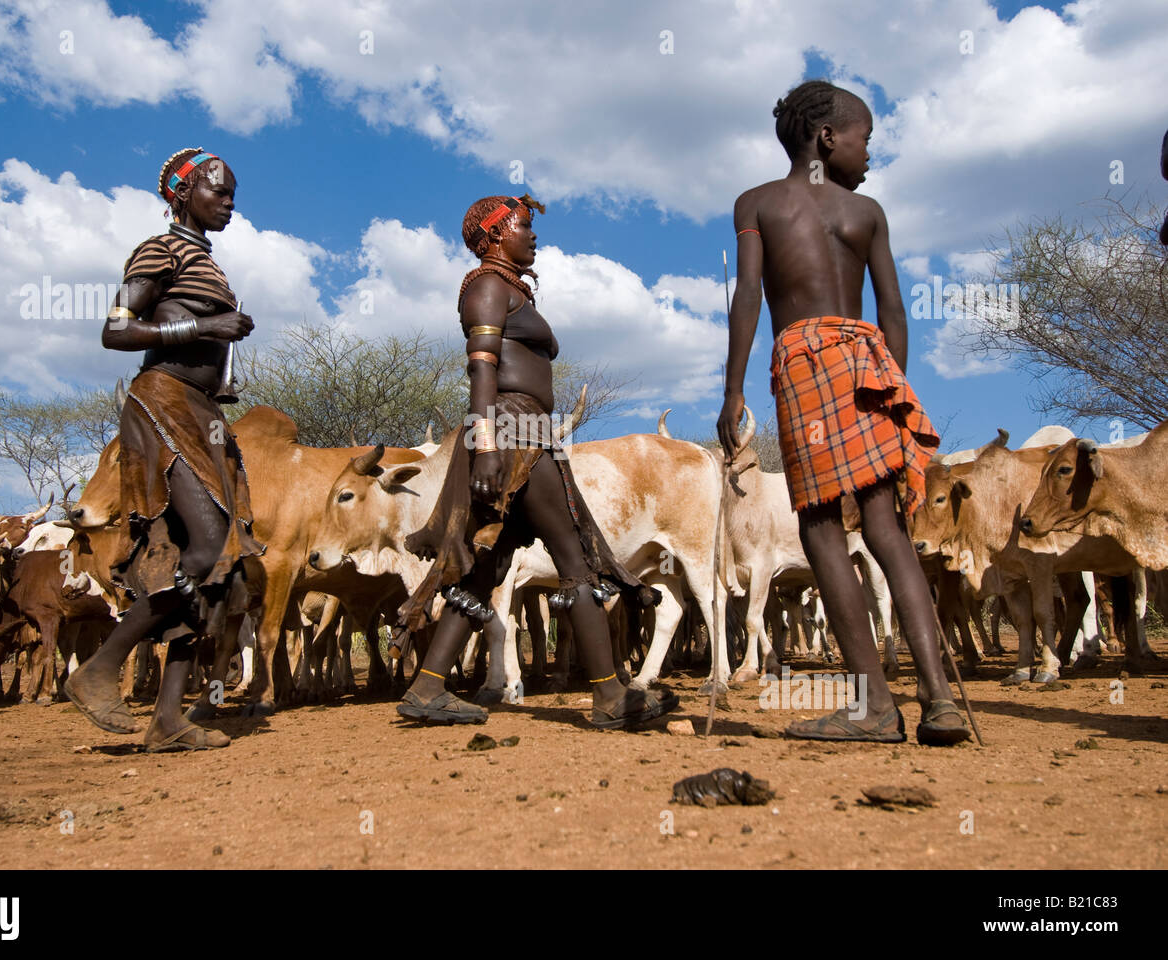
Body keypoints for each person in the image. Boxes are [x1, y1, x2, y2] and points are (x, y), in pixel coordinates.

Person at [716, 81, 970, 746]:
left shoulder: (757, 204)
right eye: (866, 139)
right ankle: (939, 699)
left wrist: (733, 389)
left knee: (823, 528)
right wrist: (896, 384)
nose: (870, 153)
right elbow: (894, 310)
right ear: (828, 138)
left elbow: (748, 296)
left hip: (802, 362)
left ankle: (873, 709)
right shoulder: (867, 212)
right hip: (868, 361)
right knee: (886, 527)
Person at [394, 194, 677, 729]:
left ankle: (428, 688)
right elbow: (481, 369)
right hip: (511, 430)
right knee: (574, 554)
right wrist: (486, 445)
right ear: (497, 234)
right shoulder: (485, 286)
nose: (534, 234)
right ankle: (610, 695)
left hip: (522, 431)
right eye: (524, 225)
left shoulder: (509, 288)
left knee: (482, 566)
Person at [63, 147, 262, 751]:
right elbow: (116, 330)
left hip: (204, 415)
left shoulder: (207, 263)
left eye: (232, 195)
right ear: (181, 193)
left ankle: (168, 720)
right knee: (205, 546)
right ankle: (100, 668)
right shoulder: (160, 248)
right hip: (164, 401)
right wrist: (203, 328)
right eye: (218, 192)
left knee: (216, 563)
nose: (229, 203)